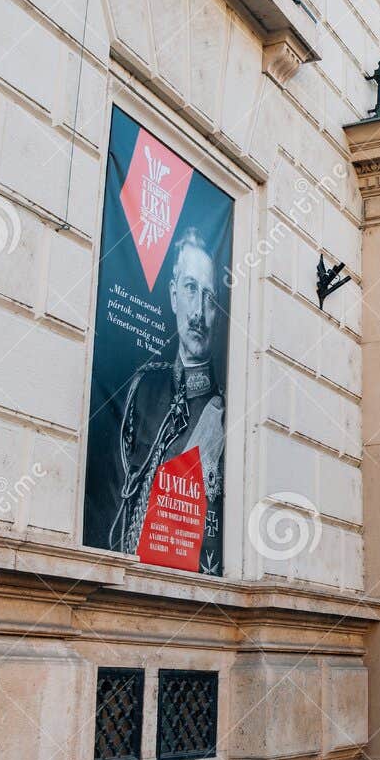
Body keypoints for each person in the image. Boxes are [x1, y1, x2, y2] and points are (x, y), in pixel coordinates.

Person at [107, 227, 225, 573]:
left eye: (209, 298)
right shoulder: (143, 386)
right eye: (190, 288)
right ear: (174, 296)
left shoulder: (224, 413)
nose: (198, 312)